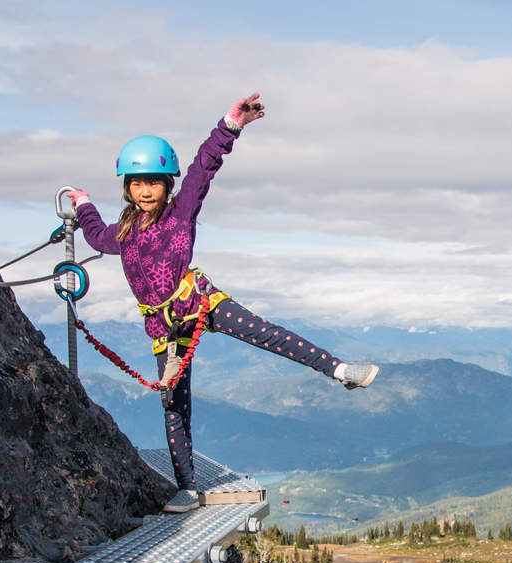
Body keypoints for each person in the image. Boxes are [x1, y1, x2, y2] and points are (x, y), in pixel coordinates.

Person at [68, 93, 378, 512]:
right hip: (163, 328)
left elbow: (203, 167)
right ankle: (187, 488)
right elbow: (93, 235)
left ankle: (340, 369)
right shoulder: (121, 233)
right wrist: (83, 203)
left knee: (262, 332)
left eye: (153, 182)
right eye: (137, 183)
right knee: (174, 406)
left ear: (168, 185)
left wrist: (230, 125)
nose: (145, 190)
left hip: (198, 302)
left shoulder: (181, 213)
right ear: (126, 187)